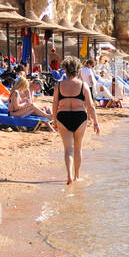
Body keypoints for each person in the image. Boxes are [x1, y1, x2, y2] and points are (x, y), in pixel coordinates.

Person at [52, 54, 100, 184]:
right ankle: (77, 176)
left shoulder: (59, 85)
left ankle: (69, 175)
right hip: (80, 117)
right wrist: (96, 123)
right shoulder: (83, 85)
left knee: (68, 149)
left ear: (65, 70)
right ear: (78, 69)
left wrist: (54, 121)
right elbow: (90, 106)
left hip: (63, 116)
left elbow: (55, 105)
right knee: (78, 147)